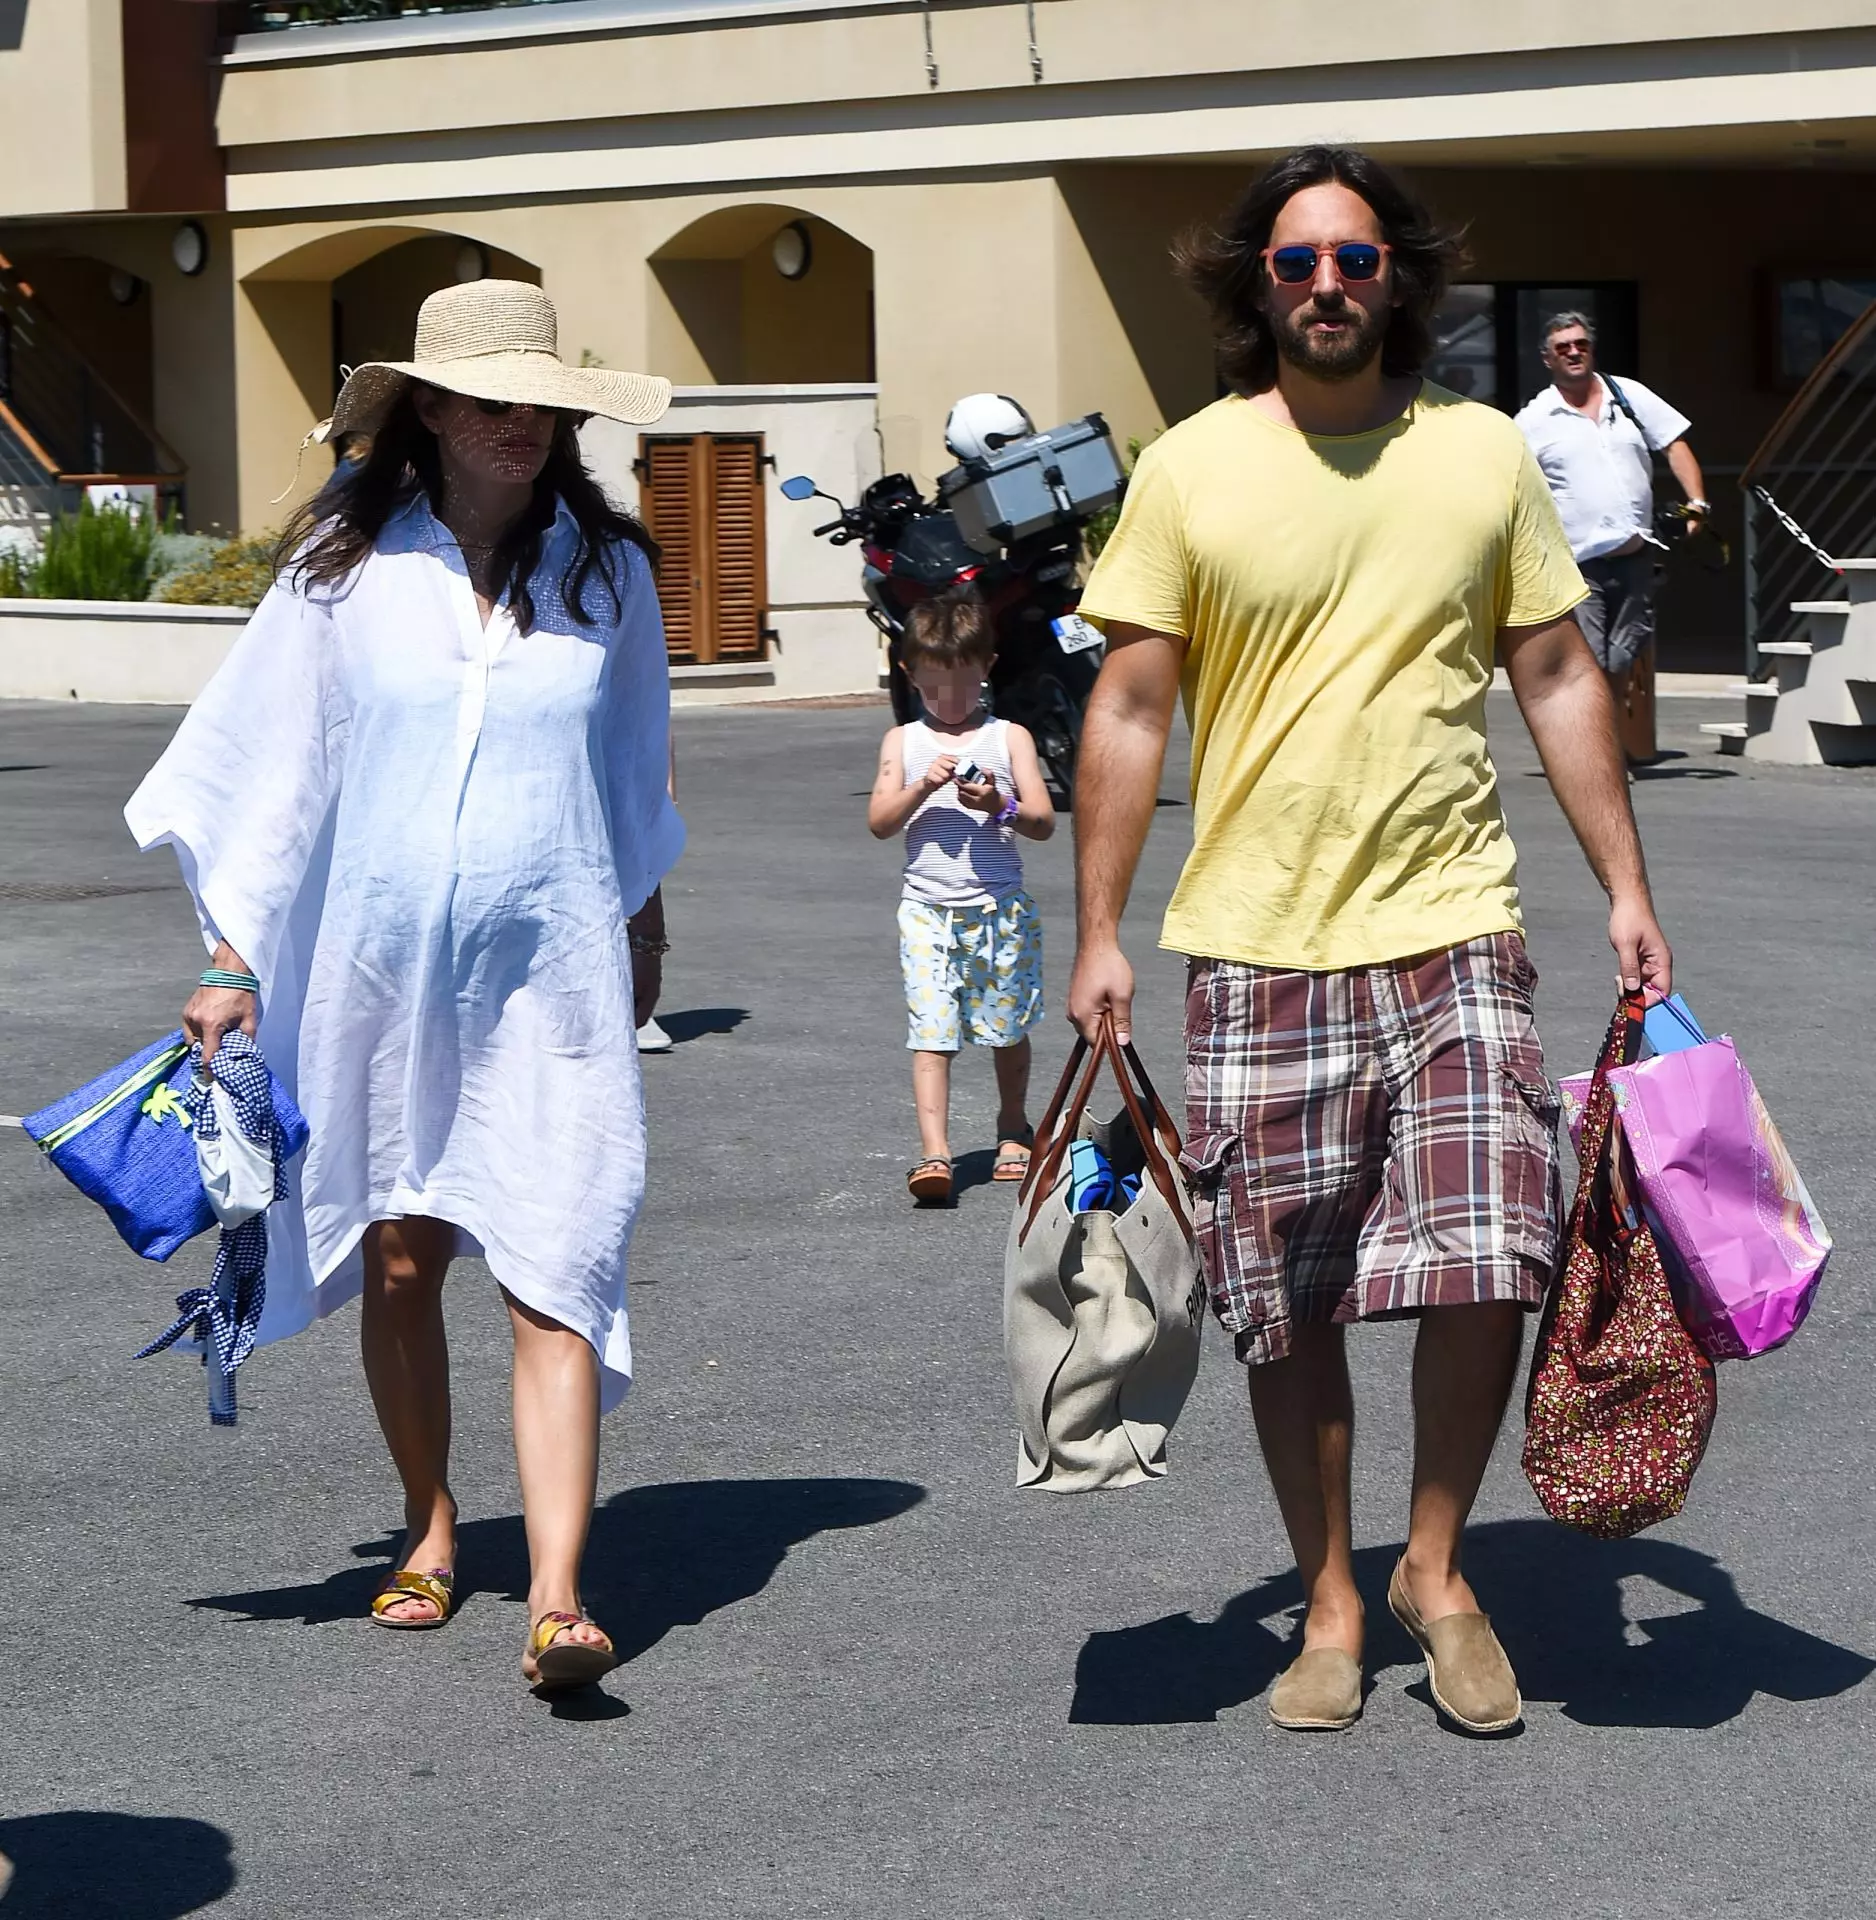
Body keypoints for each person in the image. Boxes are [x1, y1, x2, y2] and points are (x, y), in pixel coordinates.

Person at [1069, 147, 1673, 1735]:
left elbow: (1552, 671)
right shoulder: (1191, 467)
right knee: (1292, 1295)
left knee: (1495, 1244)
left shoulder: (1481, 455)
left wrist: (1625, 882)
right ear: (1253, 287)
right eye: (1293, 264)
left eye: (1351, 259)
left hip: (1454, 920)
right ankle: (1329, 1595)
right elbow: (1129, 705)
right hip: (1258, 942)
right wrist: (1100, 931)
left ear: (1395, 276)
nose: (1324, 285)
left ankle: (1437, 1567)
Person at [125, 280, 683, 1694]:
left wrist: (647, 930)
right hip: (379, 978)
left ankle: (558, 1593)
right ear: (426, 411)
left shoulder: (607, 578)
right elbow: (271, 766)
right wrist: (229, 961)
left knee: (556, 1258)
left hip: (547, 978)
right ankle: (431, 1526)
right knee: (400, 1254)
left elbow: (631, 780)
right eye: (492, 399)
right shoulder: (342, 569)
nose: (523, 424)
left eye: (542, 402)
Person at [866, 584, 1055, 1205]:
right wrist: (923, 786)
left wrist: (999, 804)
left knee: (1004, 1029)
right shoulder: (903, 742)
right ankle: (935, 1153)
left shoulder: (1008, 739)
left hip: (998, 911)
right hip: (927, 912)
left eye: (963, 685)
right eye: (931, 687)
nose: (948, 700)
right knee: (931, 1030)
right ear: (909, 675)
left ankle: (1012, 1127)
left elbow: (1042, 822)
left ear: (987, 670)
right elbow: (881, 821)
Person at [1515, 311, 1709, 726]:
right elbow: (1512, 487)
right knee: (1591, 660)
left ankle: (1606, 744)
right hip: (1577, 564)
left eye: (1581, 345)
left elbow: (1675, 446)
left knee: (1622, 657)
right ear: (1547, 359)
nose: (1573, 353)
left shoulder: (1629, 396)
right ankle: (1598, 754)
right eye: (1562, 348)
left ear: (1591, 350)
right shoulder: (1533, 420)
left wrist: (1697, 504)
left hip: (1637, 554)